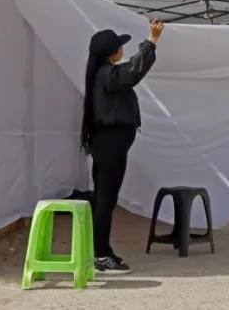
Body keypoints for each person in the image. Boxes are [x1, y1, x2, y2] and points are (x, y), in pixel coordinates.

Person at [81, 19, 164, 274]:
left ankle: (99, 251)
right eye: (119, 47)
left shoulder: (102, 74)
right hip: (111, 144)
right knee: (106, 201)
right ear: (112, 53)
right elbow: (133, 71)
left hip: (108, 144)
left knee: (104, 200)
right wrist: (151, 41)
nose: (122, 51)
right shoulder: (108, 74)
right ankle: (101, 255)